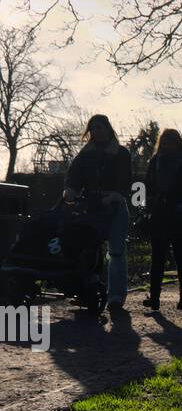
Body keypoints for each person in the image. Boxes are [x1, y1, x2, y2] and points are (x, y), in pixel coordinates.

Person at [63, 114, 132, 308]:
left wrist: (115, 194)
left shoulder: (121, 153)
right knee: (87, 248)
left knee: (116, 251)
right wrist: (70, 190)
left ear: (108, 129)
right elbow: (73, 176)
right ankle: (87, 289)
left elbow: (124, 179)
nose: (96, 131)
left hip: (114, 206)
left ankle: (116, 296)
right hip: (91, 206)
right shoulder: (85, 154)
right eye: (93, 128)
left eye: (100, 127)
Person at [144, 129, 182, 311]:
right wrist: (149, 203)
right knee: (158, 257)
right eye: (165, 142)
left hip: (177, 215)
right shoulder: (155, 163)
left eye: (170, 142)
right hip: (160, 214)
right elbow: (146, 186)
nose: (167, 146)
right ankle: (155, 298)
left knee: (180, 257)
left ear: (177, 144)